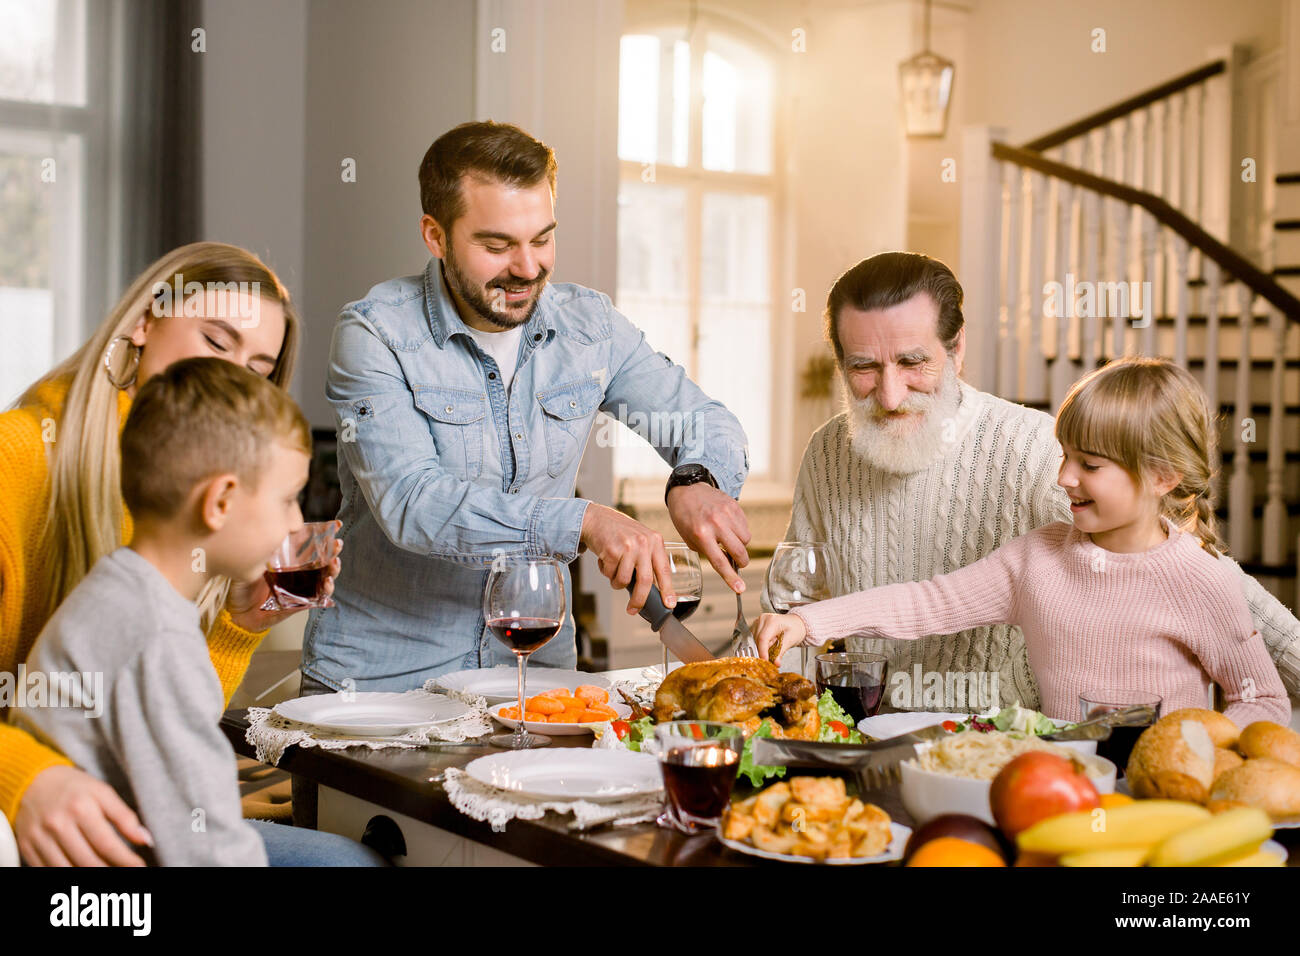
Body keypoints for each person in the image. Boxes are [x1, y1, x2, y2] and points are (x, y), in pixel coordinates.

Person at [302, 120, 751, 695]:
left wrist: (695, 478)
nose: (527, 267)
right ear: (435, 236)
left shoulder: (590, 329)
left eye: (542, 239)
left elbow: (707, 423)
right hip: (382, 681)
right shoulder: (374, 332)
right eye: (497, 246)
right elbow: (414, 504)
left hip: (532, 669)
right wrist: (584, 522)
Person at [767, 252, 1300, 710]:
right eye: (863, 366)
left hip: (1011, 742)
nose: (889, 395)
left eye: (913, 362)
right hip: (865, 725)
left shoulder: (1034, 447)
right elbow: (807, 599)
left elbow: (1196, 579)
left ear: (956, 351)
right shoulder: (828, 452)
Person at [0, 242, 346, 866]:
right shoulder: (17, 458)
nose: (234, 378)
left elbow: (157, 719)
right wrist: (24, 777)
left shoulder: (181, 512)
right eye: (216, 342)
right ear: (143, 321)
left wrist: (239, 626)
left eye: (259, 366)